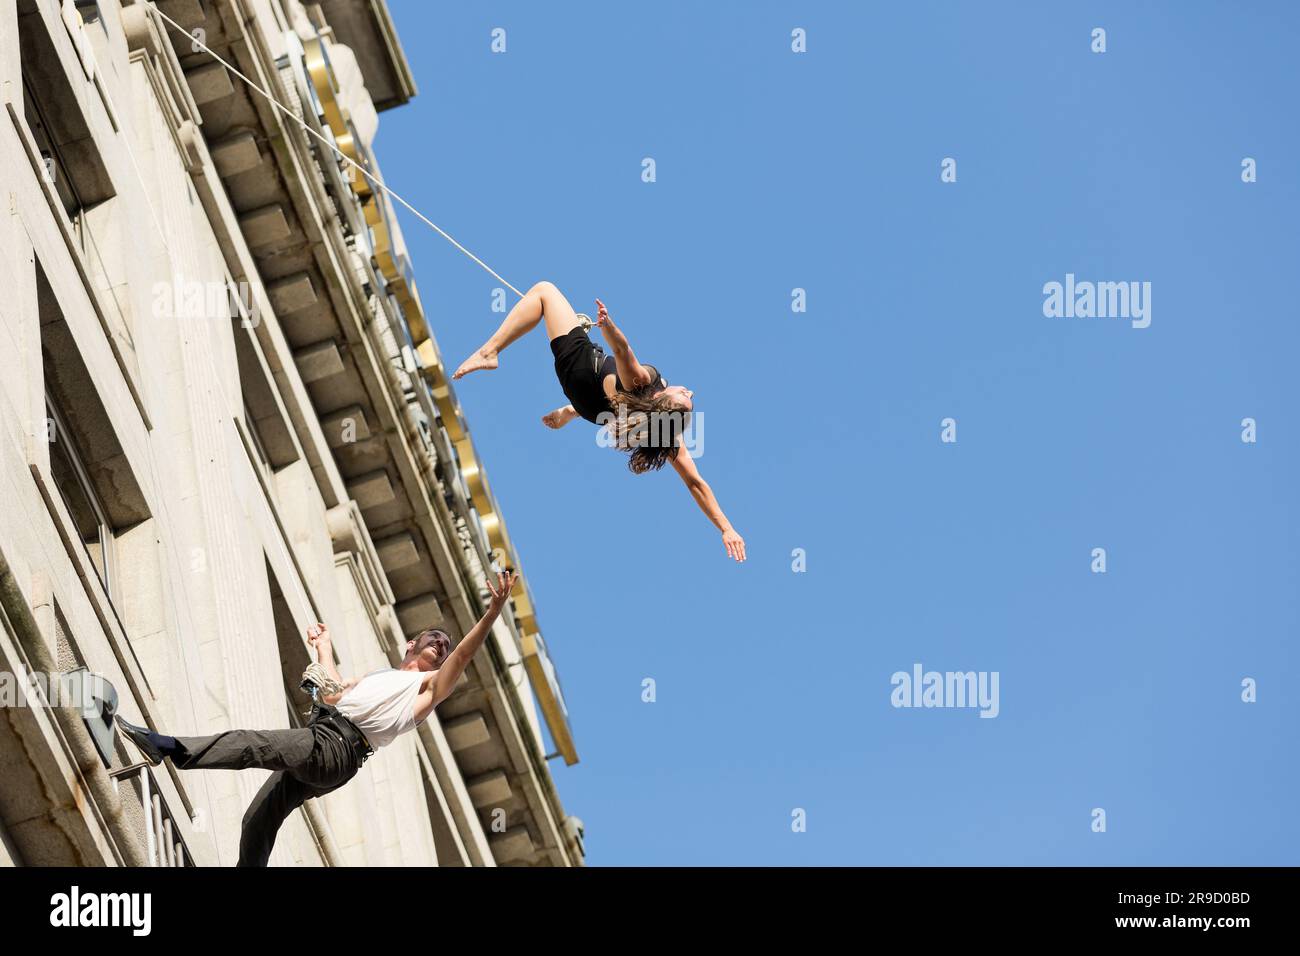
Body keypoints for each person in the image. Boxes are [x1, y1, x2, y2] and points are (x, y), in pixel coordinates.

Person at [115, 570, 518, 866]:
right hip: (327, 737)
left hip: (338, 748)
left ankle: (167, 748)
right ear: (411, 644)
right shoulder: (380, 676)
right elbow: (334, 693)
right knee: (258, 819)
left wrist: (492, 613)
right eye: (435, 638)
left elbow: (464, 655)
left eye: (445, 646)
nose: (443, 644)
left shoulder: (428, 688)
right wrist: (324, 648)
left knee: (257, 744)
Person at [453, 281, 746, 562]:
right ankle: (569, 412)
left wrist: (608, 326)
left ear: (663, 401)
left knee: (544, 291)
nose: (689, 390)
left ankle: (489, 352)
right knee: (615, 408)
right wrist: (726, 528)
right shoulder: (662, 435)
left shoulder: (643, 382)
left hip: (584, 368)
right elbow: (695, 483)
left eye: (685, 396)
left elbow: (622, 350)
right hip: (588, 403)